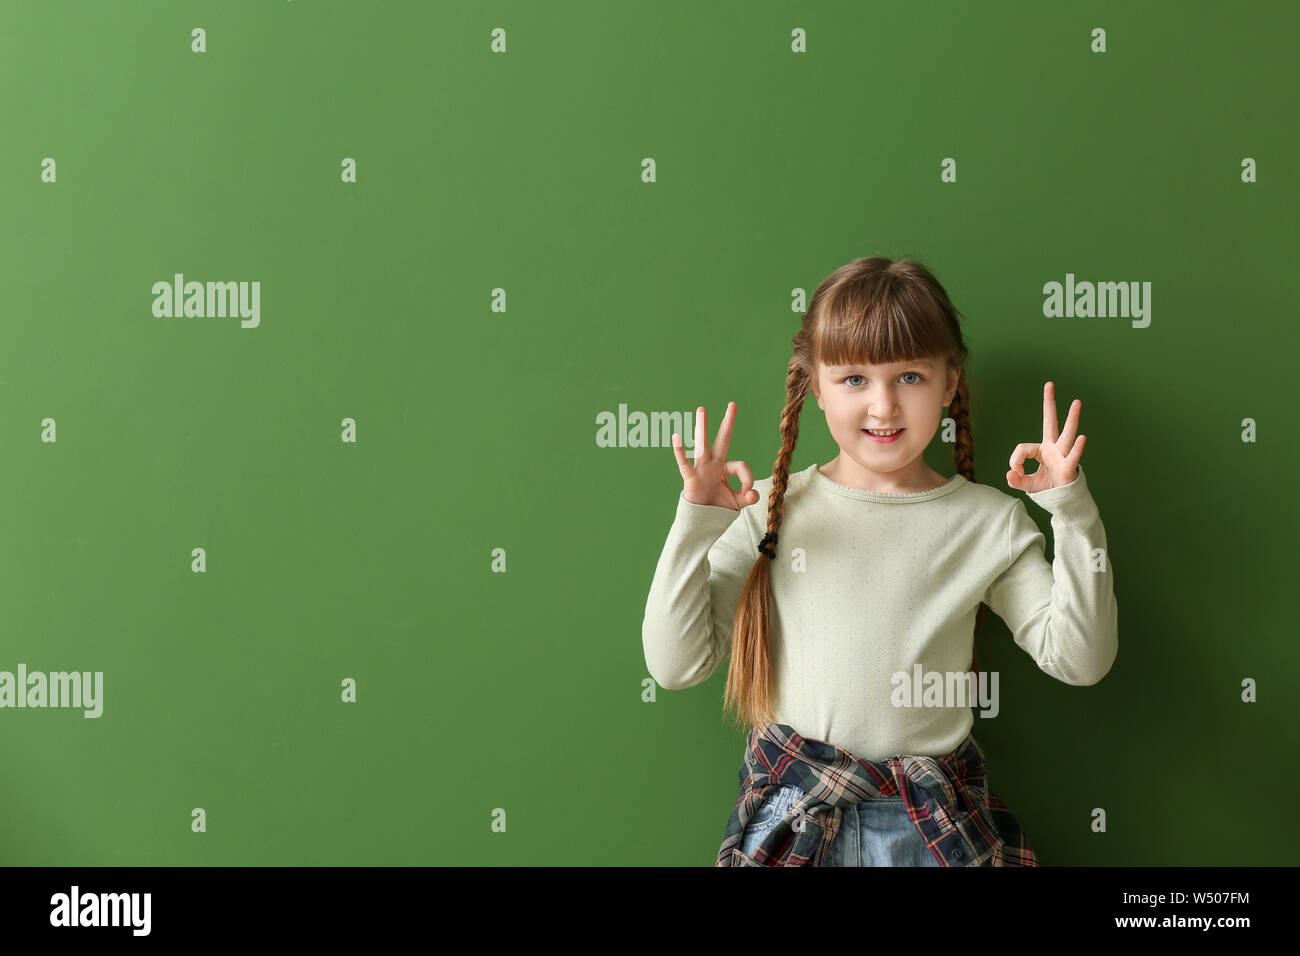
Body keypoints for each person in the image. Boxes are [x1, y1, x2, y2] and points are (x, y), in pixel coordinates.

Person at [641, 256, 1118, 866]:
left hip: (933, 832)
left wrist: (1071, 511)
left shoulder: (988, 521)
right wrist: (696, 522)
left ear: (950, 382)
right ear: (814, 386)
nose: (884, 406)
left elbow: (1080, 660)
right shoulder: (769, 510)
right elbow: (676, 666)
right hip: (794, 821)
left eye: (911, 377)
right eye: (854, 379)